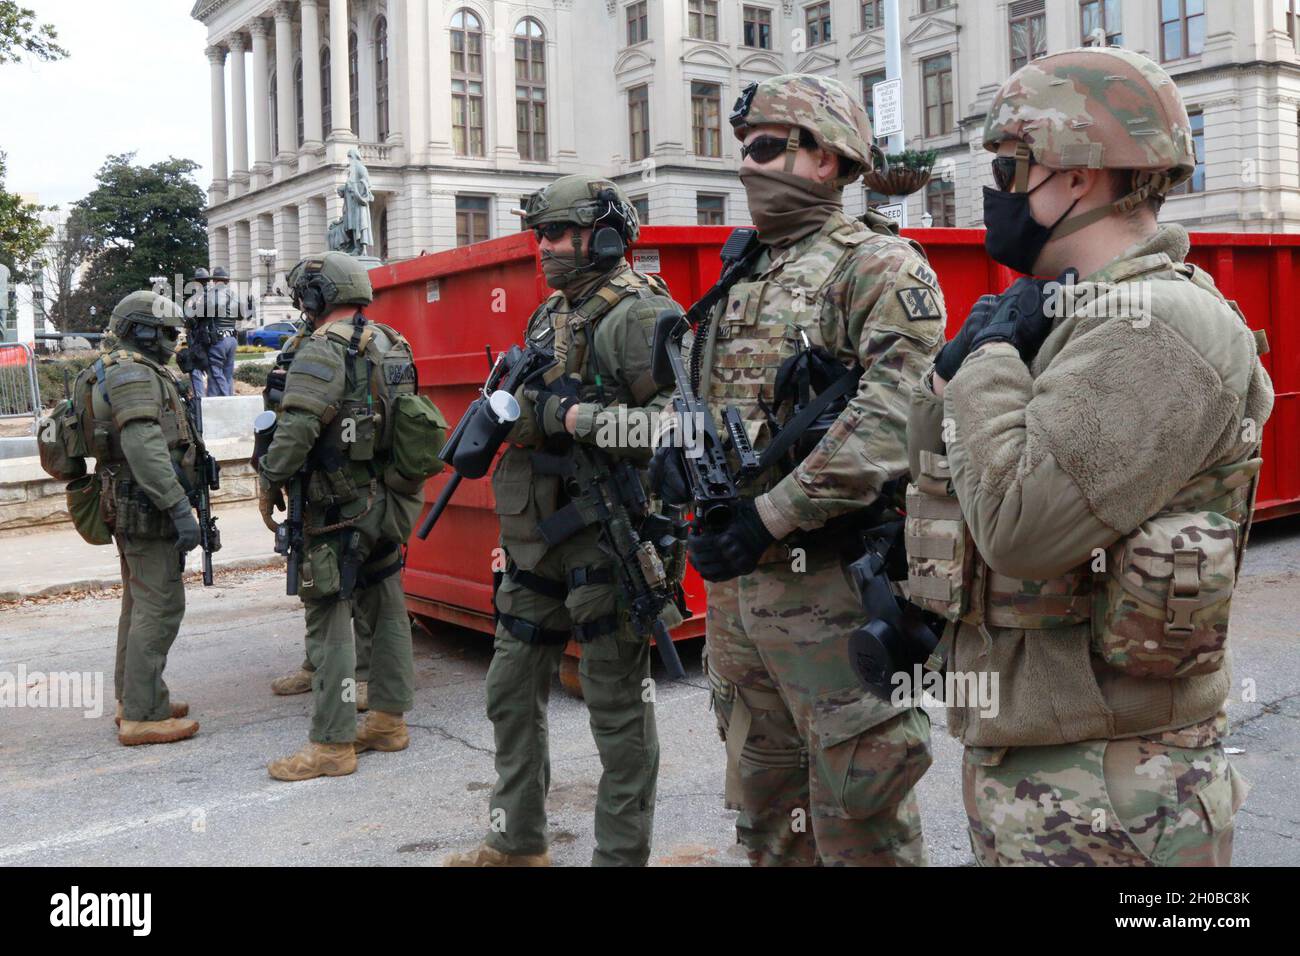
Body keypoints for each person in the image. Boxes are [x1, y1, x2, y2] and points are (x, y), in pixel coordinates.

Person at [907, 46, 1274, 866]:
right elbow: (931, 461)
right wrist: (958, 368)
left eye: (1007, 169)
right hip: (1040, 759)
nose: (994, 195)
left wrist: (991, 360)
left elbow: (1020, 530)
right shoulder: (1063, 313)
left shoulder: (1157, 327)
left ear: (1076, 175)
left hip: (1113, 790)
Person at [655, 74, 945, 866]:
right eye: (742, 151)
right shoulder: (741, 274)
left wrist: (767, 519)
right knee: (766, 817)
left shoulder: (880, 268)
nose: (746, 167)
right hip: (743, 602)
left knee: (862, 822)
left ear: (827, 158)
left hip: (834, 595)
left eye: (765, 148)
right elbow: (717, 410)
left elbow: (893, 421)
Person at [443, 175, 683, 867]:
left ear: (604, 236)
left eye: (557, 233)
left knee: (618, 714)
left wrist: (573, 417)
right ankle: (516, 840)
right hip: (536, 545)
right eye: (538, 233)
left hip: (609, 546)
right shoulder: (550, 312)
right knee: (510, 692)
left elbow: (681, 431)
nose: (543, 246)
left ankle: (620, 857)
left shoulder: (643, 316)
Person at [257, 251, 444, 781]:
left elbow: (296, 429)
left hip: (338, 507)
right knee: (386, 603)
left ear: (316, 298)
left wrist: (270, 480)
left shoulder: (321, 349)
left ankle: (333, 744)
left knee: (329, 614)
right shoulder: (392, 342)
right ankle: (388, 720)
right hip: (389, 500)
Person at [91, 292, 203, 746]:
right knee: (160, 605)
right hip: (146, 505)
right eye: (168, 332)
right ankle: (143, 715)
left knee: (139, 604)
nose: (175, 341)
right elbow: (143, 444)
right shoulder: (134, 372)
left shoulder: (131, 367)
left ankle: (135, 698)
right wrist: (179, 508)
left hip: (135, 500)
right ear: (141, 331)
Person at [262, 321, 373, 712]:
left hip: (345, 483)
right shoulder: (300, 343)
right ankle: (316, 661)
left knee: (354, 582)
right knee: (313, 576)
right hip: (307, 483)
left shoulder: (353, 346)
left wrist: (271, 475)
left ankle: (361, 674)